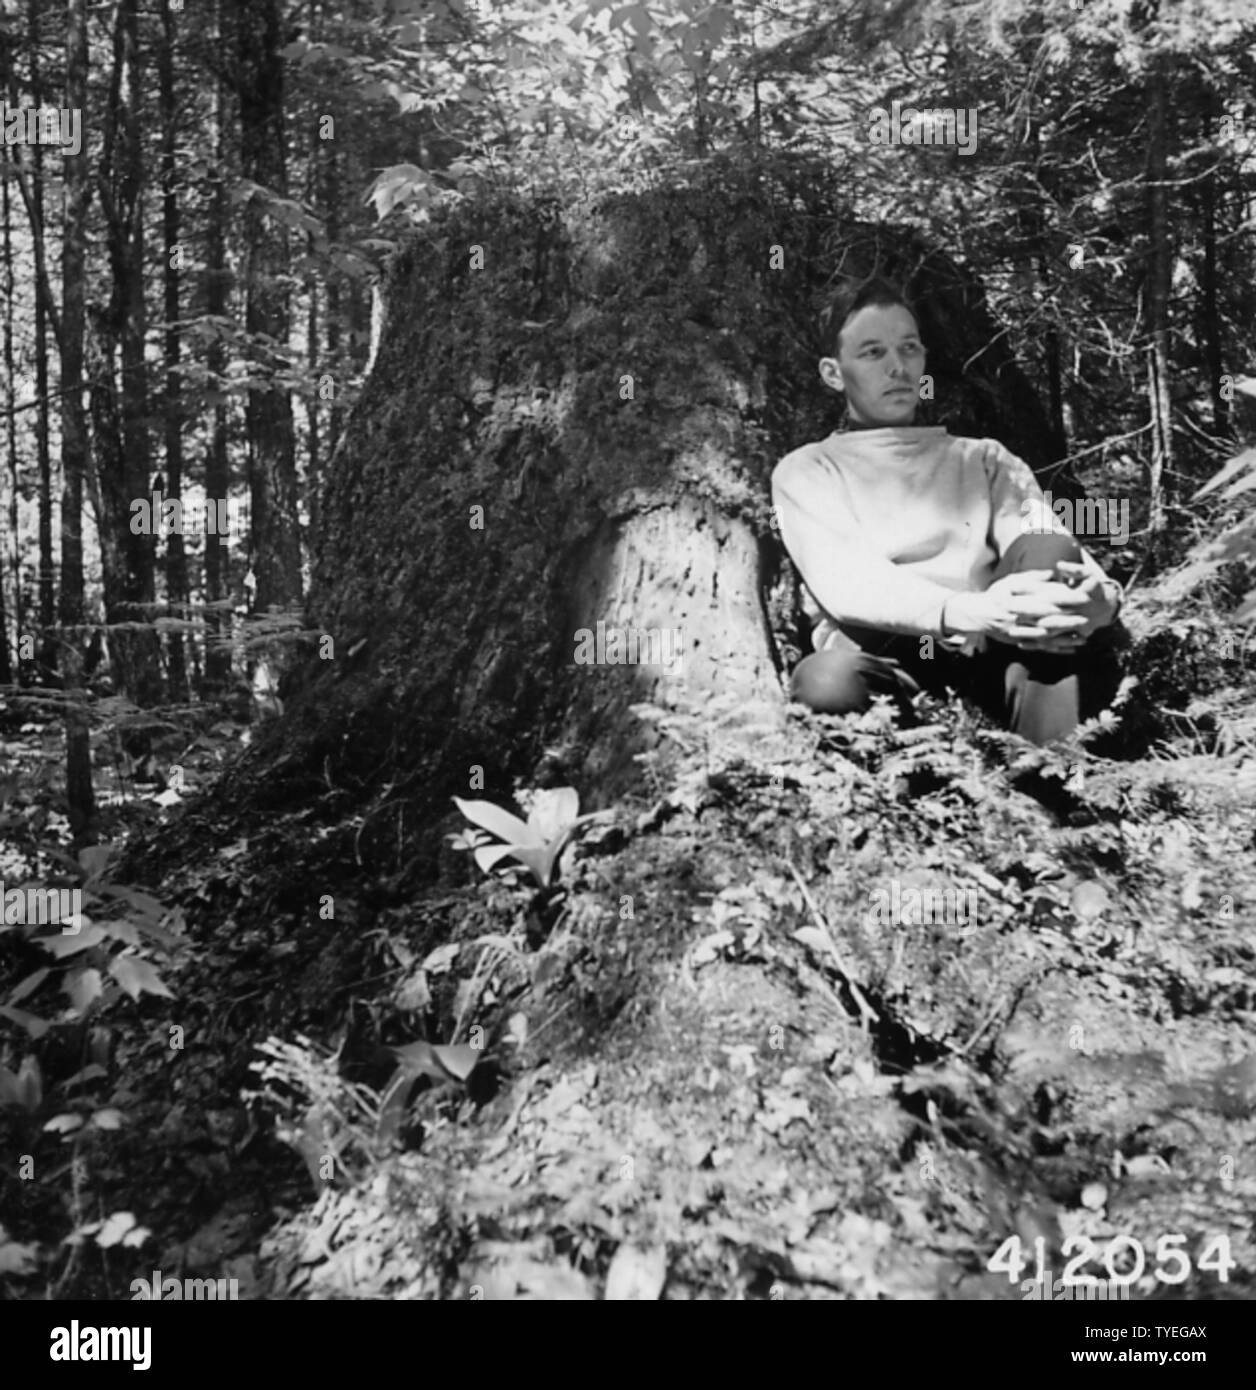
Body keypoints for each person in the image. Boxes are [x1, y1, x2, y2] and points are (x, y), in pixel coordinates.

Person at [772, 276, 1124, 745]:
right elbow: (847, 585)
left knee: (1047, 543)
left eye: (909, 348)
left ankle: (1045, 776)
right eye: (873, 352)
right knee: (824, 681)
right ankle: (920, 780)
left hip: (997, 649)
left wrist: (1100, 601)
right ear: (834, 374)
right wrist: (972, 611)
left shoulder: (981, 458)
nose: (898, 367)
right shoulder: (809, 469)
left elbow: (1056, 546)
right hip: (888, 655)